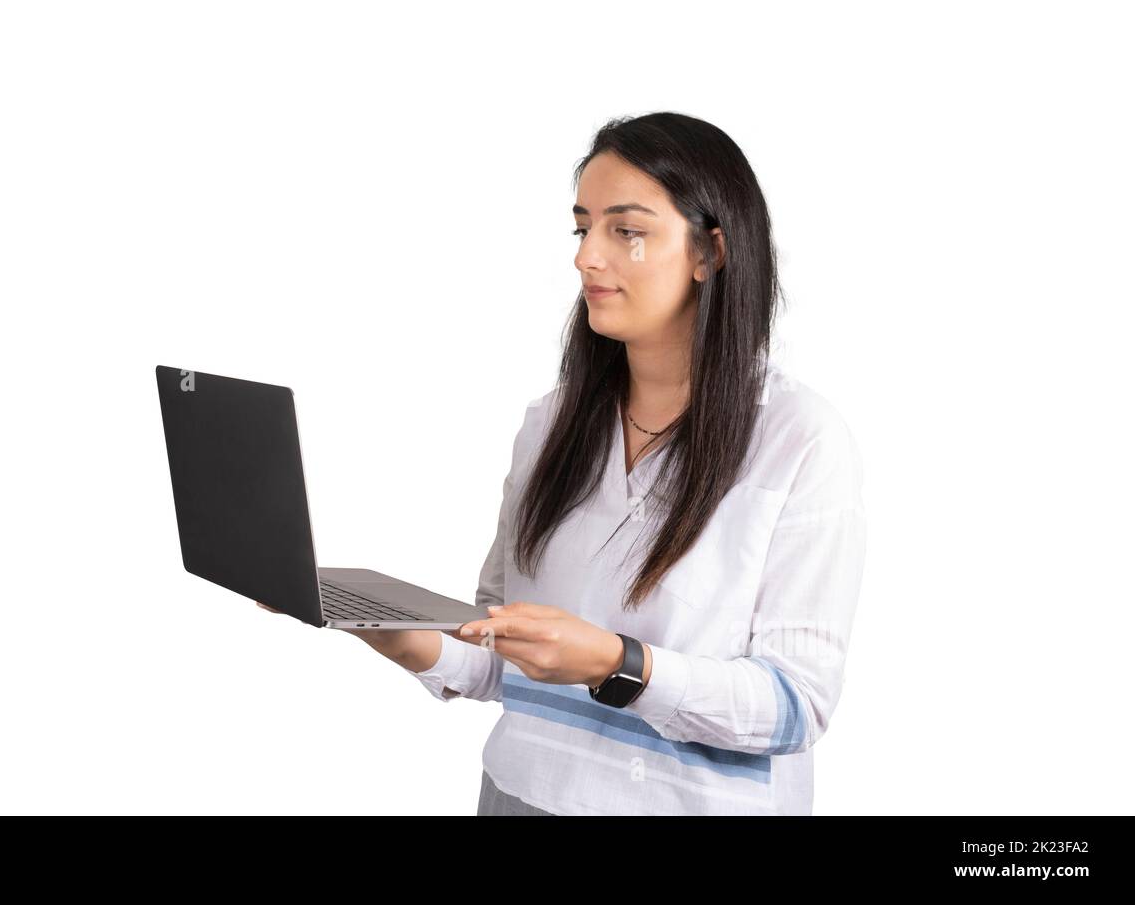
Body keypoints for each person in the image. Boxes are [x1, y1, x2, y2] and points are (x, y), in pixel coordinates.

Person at [262, 111, 867, 815]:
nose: (587, 257)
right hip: (519, 797)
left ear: (712, 252)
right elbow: (498, 655)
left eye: (626, 230)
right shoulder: (551, 425)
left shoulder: (800, 440)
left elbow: (796, 707)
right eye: (584, 229)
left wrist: (621, 664)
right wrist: (386, 627)